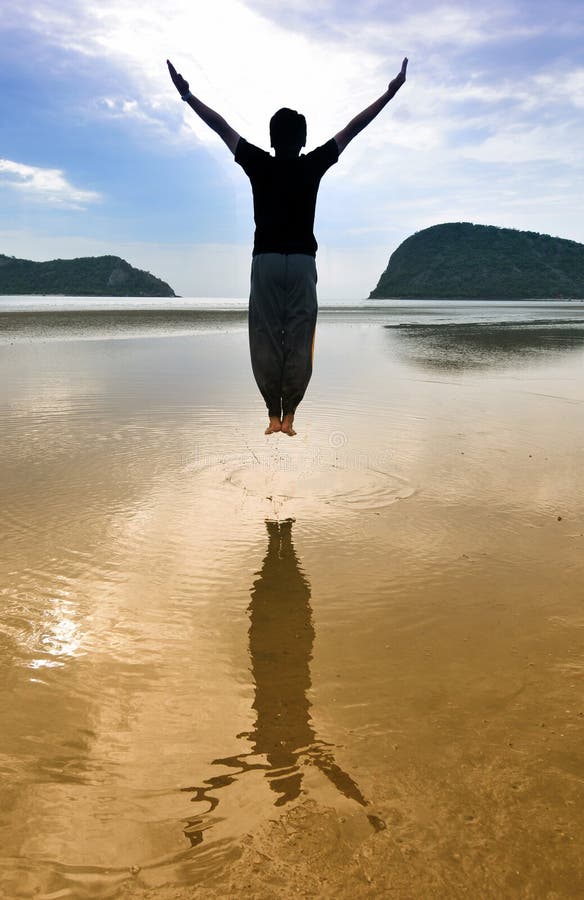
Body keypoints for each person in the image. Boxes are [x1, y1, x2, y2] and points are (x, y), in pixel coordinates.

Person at [167, 57, 408, 436]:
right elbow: (354, 128)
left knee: (264, 335)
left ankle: (271, 414)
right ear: (303, 140)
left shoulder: (257, 162)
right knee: (299, 335)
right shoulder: (312, 164)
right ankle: (291, 414)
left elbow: (220, 126)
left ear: (272, 138)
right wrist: (389, 94)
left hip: (264, 261)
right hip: (300, 262)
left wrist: (187, 95)